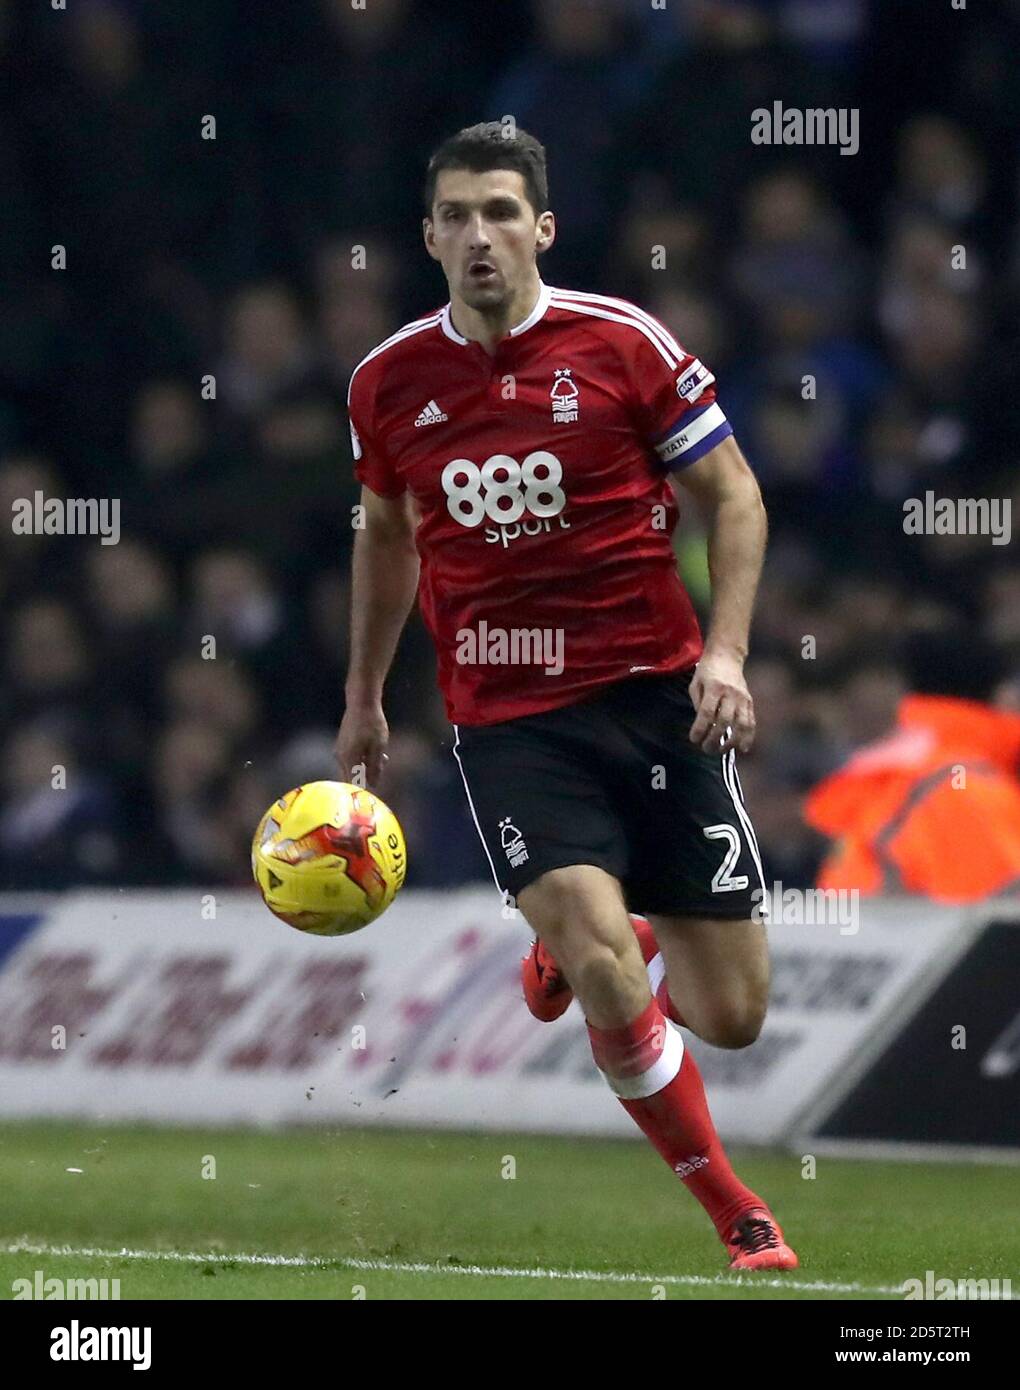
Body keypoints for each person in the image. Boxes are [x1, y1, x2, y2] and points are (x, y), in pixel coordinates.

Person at [337, 123, 795, 1271]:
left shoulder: (623, 343)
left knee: (734, 1015)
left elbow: (734, 498)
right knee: (601, 962)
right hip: (511, 720)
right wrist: (365, 695)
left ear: (542, 227)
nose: (478, 235)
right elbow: (388, 534)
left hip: (655, 702)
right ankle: (739, 1214)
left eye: (501, 211)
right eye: (456, 214)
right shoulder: (387, 383)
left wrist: (727, 655)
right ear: (428, 235)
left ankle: (613, 944)